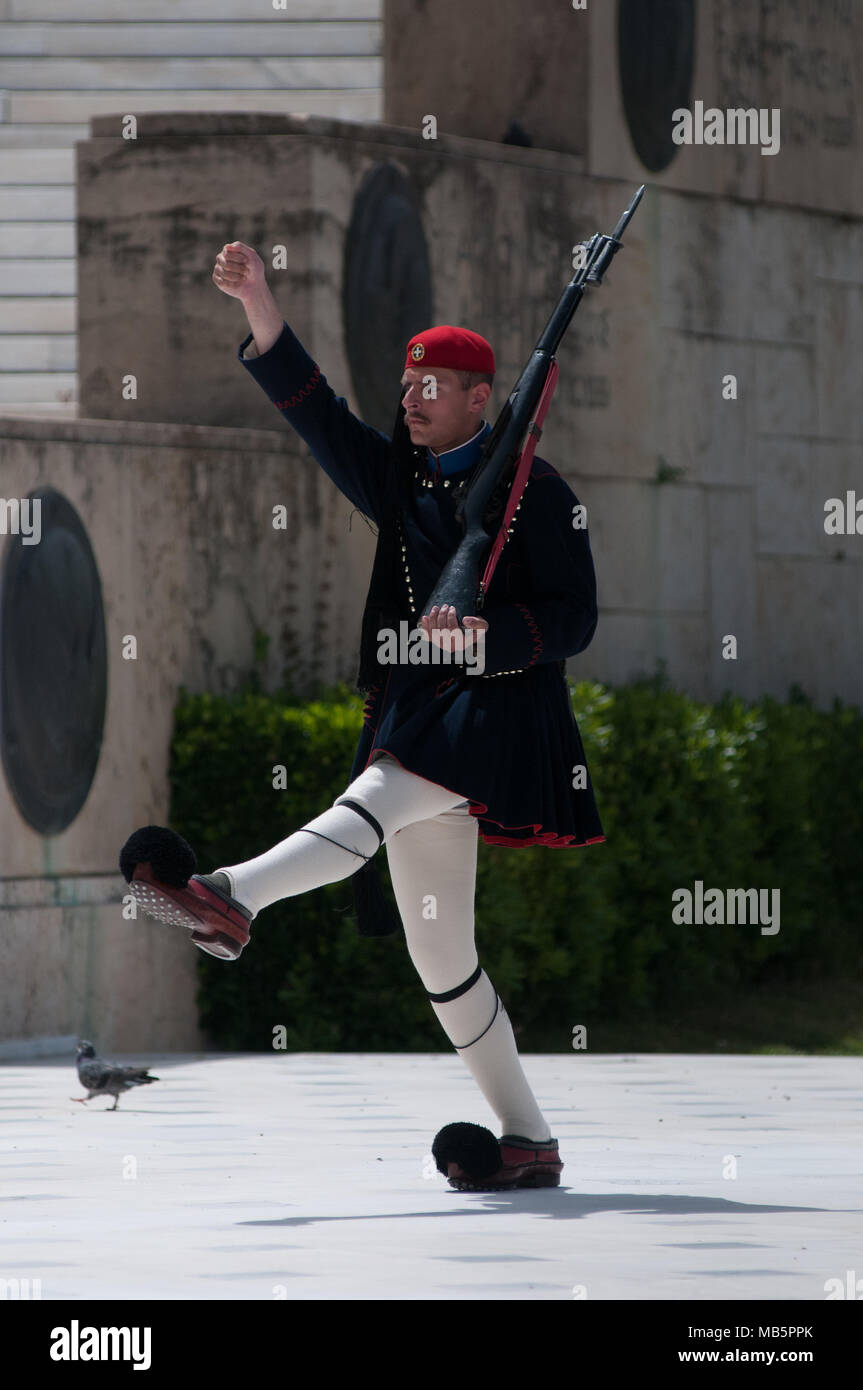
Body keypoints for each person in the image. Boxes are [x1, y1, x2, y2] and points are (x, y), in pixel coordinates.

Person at [122, 241, 605, 1191]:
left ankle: (233, 894)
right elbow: (318, 418)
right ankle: (528, 1140)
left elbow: (576, 621)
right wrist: (261, 304)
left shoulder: (538, 494)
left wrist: (483, 634)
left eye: (435, 384)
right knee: (441, 953)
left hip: (498, 710)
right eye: (408, 381)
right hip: (424, 704)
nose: (414, 396)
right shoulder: (401, 479)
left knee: (379, 794)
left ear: (480, 398)